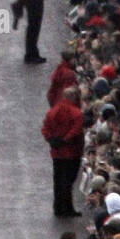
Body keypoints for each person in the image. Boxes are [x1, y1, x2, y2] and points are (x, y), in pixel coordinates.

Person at [41, 85, 84, 217]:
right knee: (68, 180)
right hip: (72, 151)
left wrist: (51, 140)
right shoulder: (76, 113)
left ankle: (58, 206)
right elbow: (76, 130)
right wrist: (65, 140)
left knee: (58, 179)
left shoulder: (53, 111)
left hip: (57, 152)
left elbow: (45, 128)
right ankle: (67, 207)